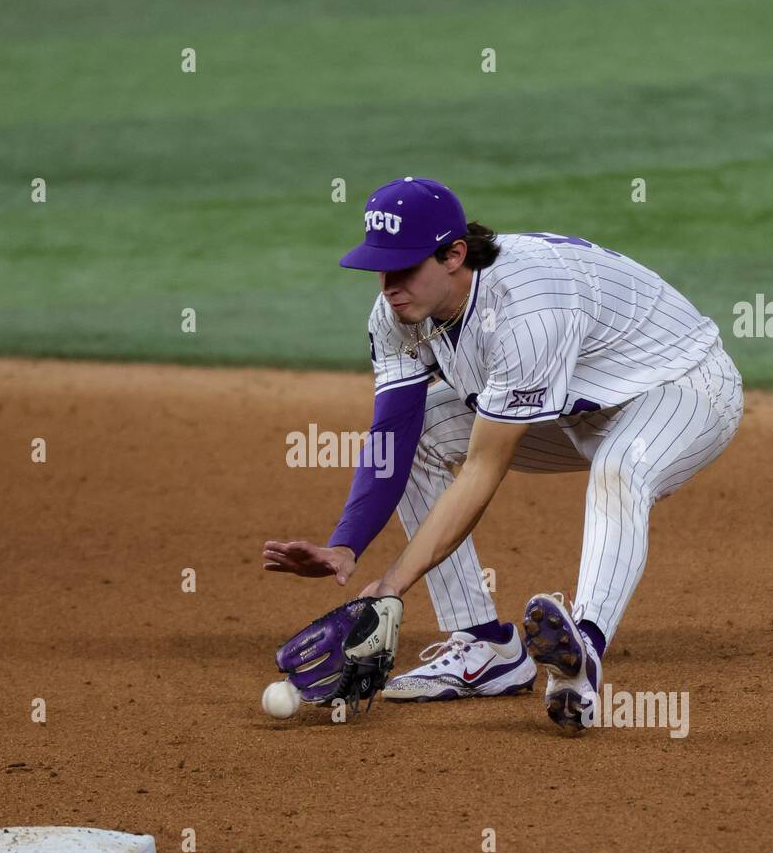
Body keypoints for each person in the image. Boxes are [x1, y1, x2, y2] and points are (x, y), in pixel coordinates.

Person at [263, 177, 743, 732]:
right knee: (424, 434)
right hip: (573, 406)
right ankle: (484, 645)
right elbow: (393, 433)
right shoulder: (397, 313)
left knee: (620, 469)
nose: (389, 285)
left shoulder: (525, 308)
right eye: (380, 267)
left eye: (404, 267)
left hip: (682, 388)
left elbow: (483, 469)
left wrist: (392, 585)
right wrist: (347, 545)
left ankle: (581, 654)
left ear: (454, 255)